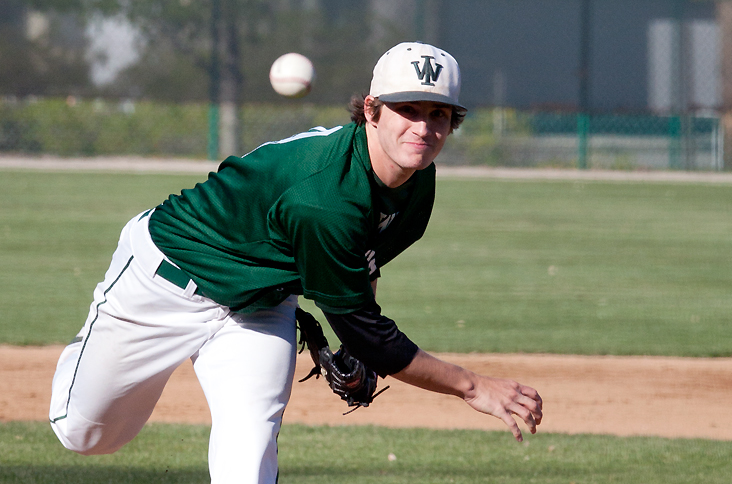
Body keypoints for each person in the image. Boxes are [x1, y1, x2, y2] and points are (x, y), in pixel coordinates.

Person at [49, 41, 543, 483]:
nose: (423, 127)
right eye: (407, 109)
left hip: (259, 305)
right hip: (167, 279)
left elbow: (363, 262)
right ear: (371, 110)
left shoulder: (416, 182)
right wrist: (470, 385)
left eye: (438, 114)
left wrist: (360, 342)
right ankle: (89, 349)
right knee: (87, 435)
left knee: (250, 452)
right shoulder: (323, 199)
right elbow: (367, 331)